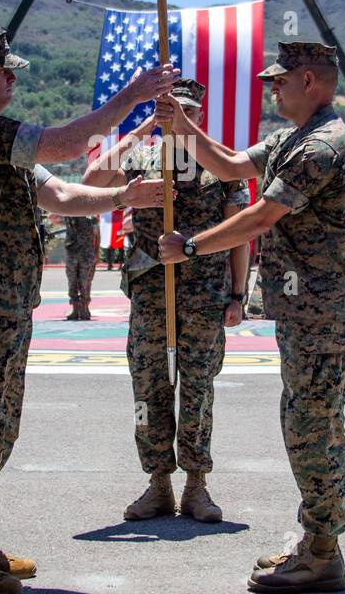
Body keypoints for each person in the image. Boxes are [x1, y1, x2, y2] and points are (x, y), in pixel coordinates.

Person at [0, 31, 178, 594]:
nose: (14, 77)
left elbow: (63, 196)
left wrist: (123, 199)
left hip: (4, 306)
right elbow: (67, 145)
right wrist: (131, 98)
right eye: (4, 69)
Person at [157, 41, 345, 593]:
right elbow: (228, 164)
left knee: (312, 428)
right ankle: (315, 541)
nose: (271, 88)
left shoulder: (320, 146)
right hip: (307, 309)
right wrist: (181, 127)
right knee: (306, 423)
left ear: (309, 81)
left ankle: (323, 551)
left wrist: (191, 246)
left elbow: (259, 216)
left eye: (279, 81)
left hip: (323, 310)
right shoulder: (289, 140)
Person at [84, 78, 250, 523]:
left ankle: (197, 484)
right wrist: (142, 131)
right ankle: (158, 482)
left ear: (200, 116)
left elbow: (241, 237)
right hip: (152, 293)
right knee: (148, 385)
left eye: (188, 112)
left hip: (204, 293)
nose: (180, 118)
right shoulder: (142, 158)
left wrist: (238, 295)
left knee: (198, 386)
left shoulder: (221, 167)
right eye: (171, 111)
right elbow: (93, 177)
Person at [64, 215, 98, 320]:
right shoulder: (68, 214)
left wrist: (96, 252)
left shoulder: (91, 216)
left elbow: (97, 234)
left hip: (86, 252)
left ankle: (85, 308)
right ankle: (75, 309)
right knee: (72, 281)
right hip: (72, 251)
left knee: (86, 282)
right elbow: (53, 217)